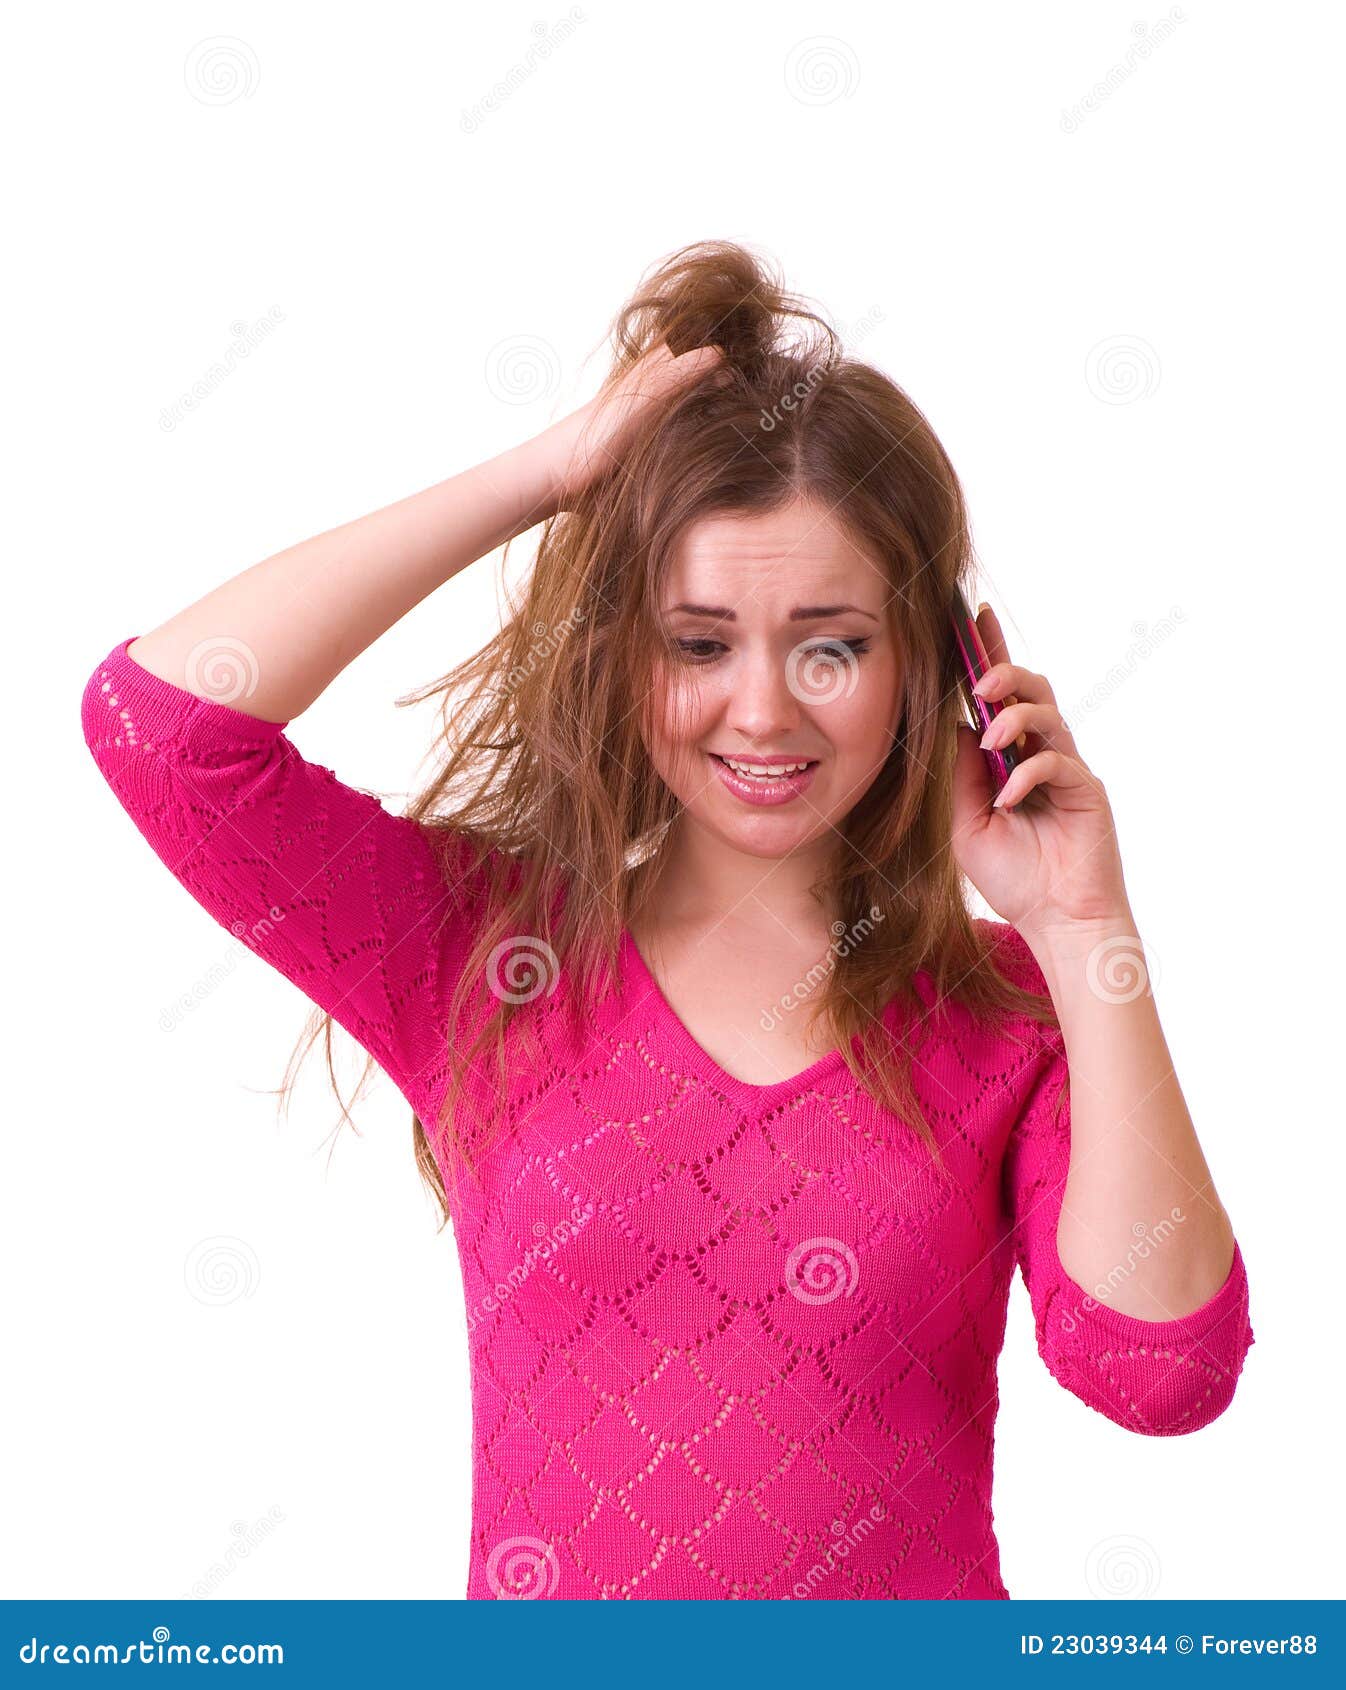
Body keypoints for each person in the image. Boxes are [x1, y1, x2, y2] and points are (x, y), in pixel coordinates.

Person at [81, 239, 1253, 1600]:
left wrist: (1081, 923)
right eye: (699, 640)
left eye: (830, 643)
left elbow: (1157, 1373)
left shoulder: (1011, 1011)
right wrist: (550, 472)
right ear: (621, 647)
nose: (762, 709)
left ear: (936, 668)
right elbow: (159, 730)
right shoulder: (483, 957)